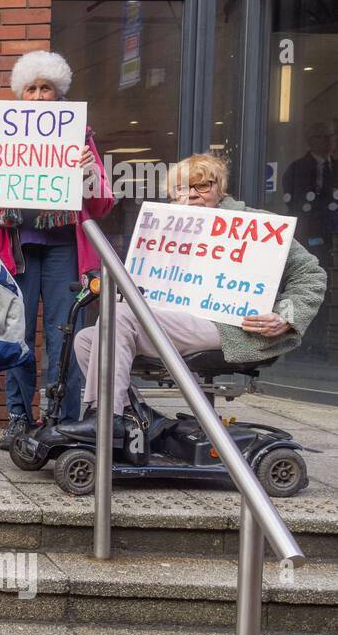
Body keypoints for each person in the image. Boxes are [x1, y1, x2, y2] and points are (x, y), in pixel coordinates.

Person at [68, 153, 328, 440]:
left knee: (120, 318)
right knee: (88, 340)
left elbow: (311, 275)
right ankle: (135, 419)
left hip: (228, 325)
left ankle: (105, 420)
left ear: (221, 188)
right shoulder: (164, 228)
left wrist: (285, 317)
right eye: (182, 188)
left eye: (202, 186)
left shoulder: (254, 223)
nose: (192, 195)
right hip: (175, 319)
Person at [0, 51, 117, 449]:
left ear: (59, 95)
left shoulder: (80, 136)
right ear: (20, 96)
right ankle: (18, 418)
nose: (38, 96)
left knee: (64, 334)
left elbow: (103, 203)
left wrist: (89, 172)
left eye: (46, 88)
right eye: (31, 89)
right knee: (16, 334)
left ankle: (62, 419)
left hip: (64, 250)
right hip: (17, 246)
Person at [280, 119, 336, 357]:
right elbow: (296, 204)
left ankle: (320, 341)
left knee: (325, 291)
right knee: (307, 287)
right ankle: (304, 342)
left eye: (330, 136)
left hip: (330, 237)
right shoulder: (297, 168)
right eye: (322, 137)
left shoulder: (336, 167)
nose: (328, 142)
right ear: (310, 140)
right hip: (308, 239)